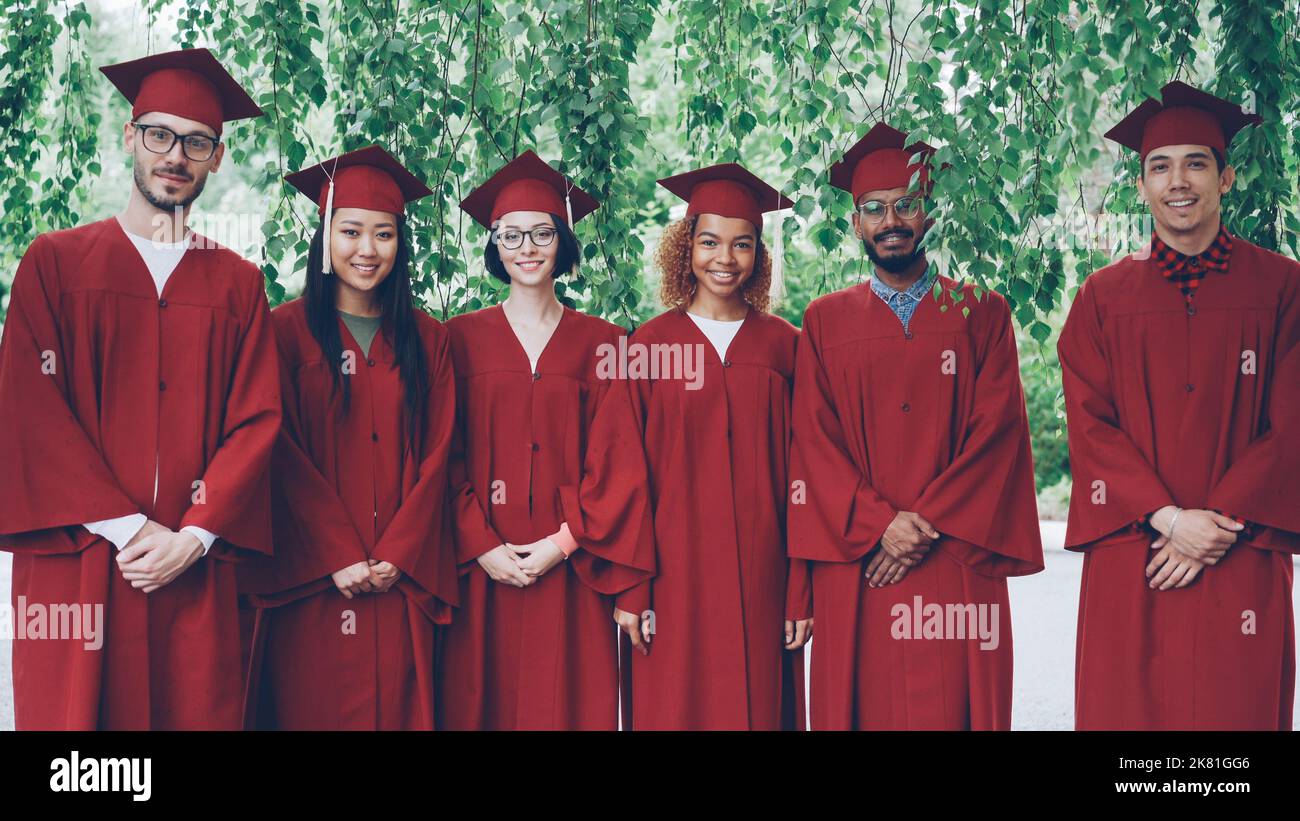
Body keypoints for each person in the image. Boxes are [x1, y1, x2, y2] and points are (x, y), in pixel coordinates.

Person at [0, 48, 280, 729]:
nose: (174, 154)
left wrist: (195, 534)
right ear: (129, 136)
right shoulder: (55, 264)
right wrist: (130, 529)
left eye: (196, 141)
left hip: (197, 572)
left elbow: (258, 418)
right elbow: (30, 411)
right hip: (83, 562)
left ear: (217, 157)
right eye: (159, 133)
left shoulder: (239, 284)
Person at [787, 123, 1044, 729]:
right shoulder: (824, 322)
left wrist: (921, 528)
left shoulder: (981, 311)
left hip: (957, 552)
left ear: (930, 214)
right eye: (872, 209)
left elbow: (998, 433)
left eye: (907, 204)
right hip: (862, 558)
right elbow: (812, 443)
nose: (890, 220)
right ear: (855, 224)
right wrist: (881, 524)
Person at [1060, 81, 1300, 730]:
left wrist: (1210, 525)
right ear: (1141, 186)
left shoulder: (1283, 287)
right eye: (1159, 167)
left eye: (1196, 163)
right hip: (1134, 552)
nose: (1178, 182)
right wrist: (1170, 519)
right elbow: (1091, 427)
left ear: (1225, 177)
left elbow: (1294, 426)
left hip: (1239, 547)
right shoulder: (1102, 299)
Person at [238, 145, 458, 729]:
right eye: (352, 231)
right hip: (310, 579)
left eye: (384, 234)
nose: (367, 249)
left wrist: (399, 553)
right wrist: (337, 553)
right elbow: (273, 448)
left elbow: (440, 452)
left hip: (397, 580)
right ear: (325, 236)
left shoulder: (427, 340)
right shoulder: (282, 332)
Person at [437, 150, 655, 730]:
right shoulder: (456, 340)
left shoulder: (606, 343)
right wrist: (480, 544)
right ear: (494, 243)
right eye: (511, 235)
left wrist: (563, 542)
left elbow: (620, 465)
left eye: (542, 233)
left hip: (571, 570)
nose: (527, 247)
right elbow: (440, 456)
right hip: (479, 568)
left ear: (563, 242)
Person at [622, 162, 811, 730]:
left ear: (759, 255)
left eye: (742, 245)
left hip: (765, 578)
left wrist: (800, 590)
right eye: (709, 242)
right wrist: (632, 588)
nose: (724, 259)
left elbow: (809, 475)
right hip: (672, 578)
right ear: (687, 248)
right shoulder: (648, 346)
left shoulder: (787, 347)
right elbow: (626, 478)